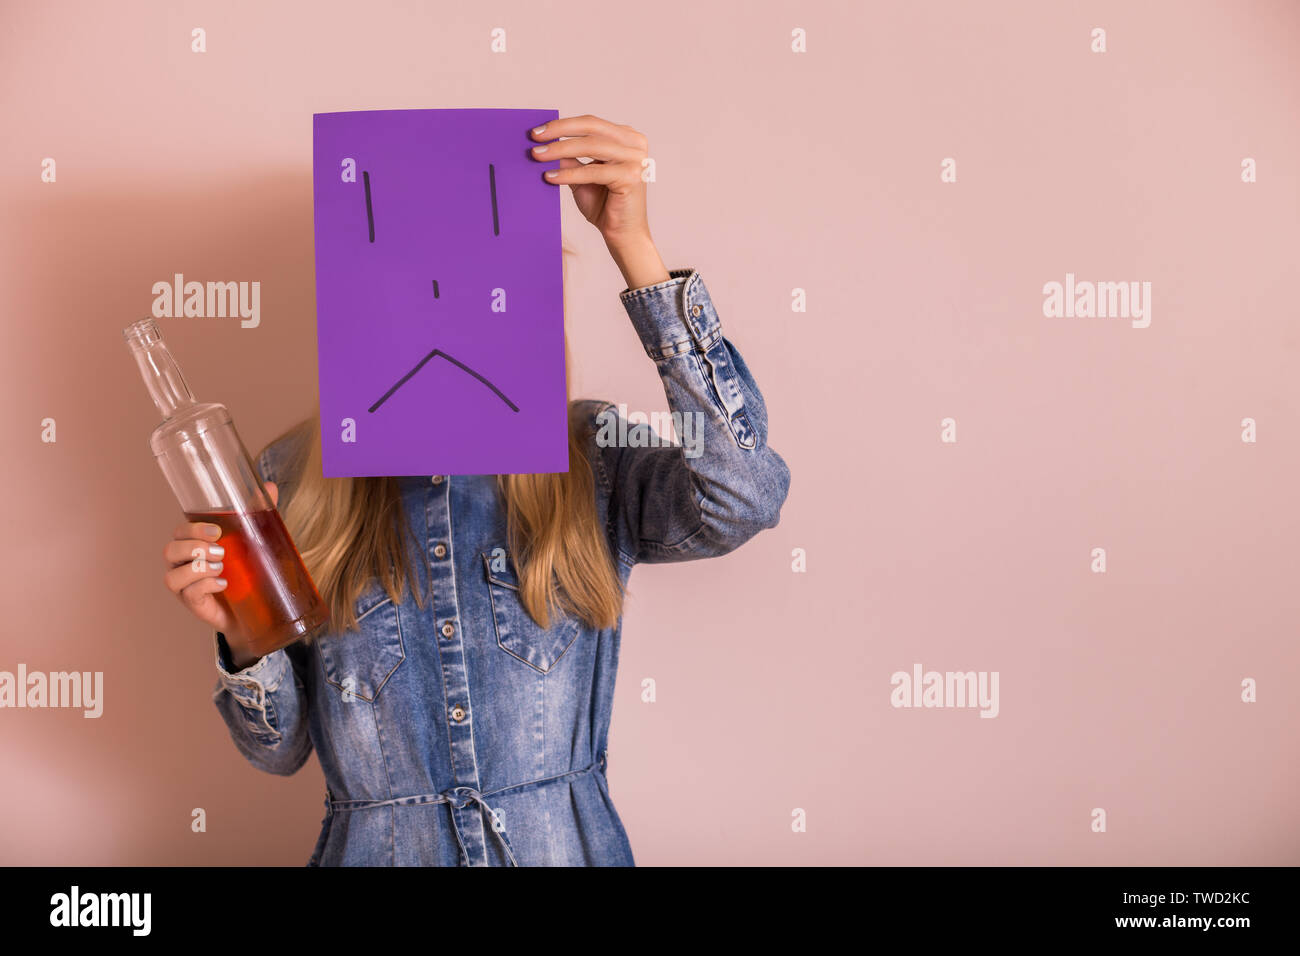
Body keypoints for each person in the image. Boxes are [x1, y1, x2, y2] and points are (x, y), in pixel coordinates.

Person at [161, 114, 791, 865]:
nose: (440, 301)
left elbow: (743, 494)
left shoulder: (592, 457)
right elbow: (279, 749)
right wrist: (242, 631)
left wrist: (635, 250)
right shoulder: (292, 476)